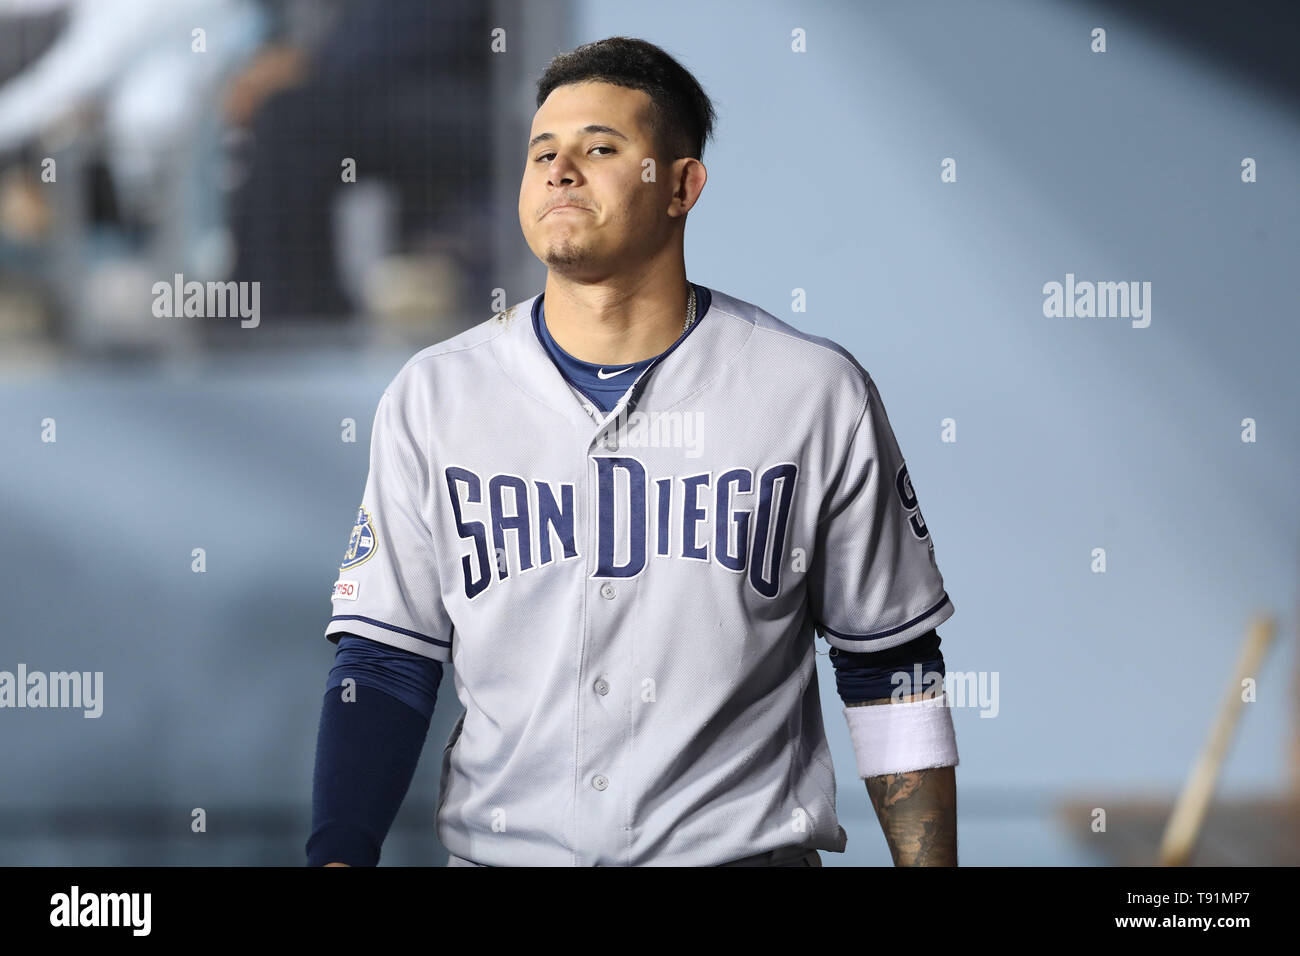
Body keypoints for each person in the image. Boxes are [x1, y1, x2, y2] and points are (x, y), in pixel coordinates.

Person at [307, 36, 958, 868]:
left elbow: (891, 662)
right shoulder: (435, 397)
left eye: (600, 148)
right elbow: (386, 660)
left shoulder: (811, 391)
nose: (560, 170)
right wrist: (336, 855)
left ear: (682, 186)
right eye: (543, 151)